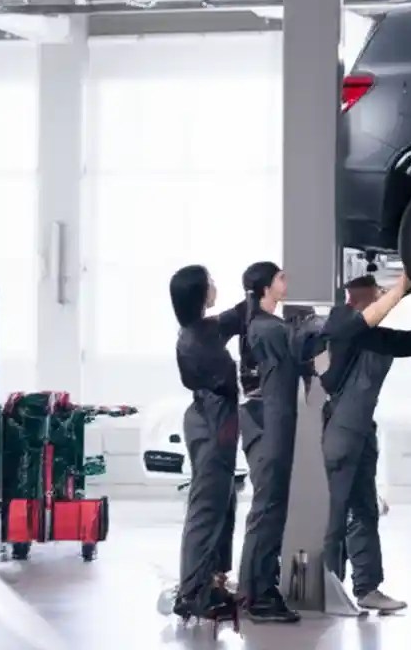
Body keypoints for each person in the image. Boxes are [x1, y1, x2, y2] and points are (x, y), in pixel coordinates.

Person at [320, 273, 411, 613]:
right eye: (377, 295)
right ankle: (326, 588)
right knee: (333, 514)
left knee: (365, 509)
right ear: (356, 298)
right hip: (338, 432)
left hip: (361, 432)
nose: (383, 300)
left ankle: (367, 588)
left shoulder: (376, 338)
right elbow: (365, 317)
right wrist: (402, 289)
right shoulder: (339, 323)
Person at [169, 265, 247, 622]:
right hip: (213, 422)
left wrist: (260, 291)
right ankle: (192, 592)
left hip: (214, 419)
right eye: (211, 282)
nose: (216, 285)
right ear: (200, 293)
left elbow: (234, 317)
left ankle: (213, 581)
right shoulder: (196, 339)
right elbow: (227, 382)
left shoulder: (201, 329)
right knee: (207, 507)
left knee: (223, 502)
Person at [235, 261, 303, 623]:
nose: (286, 281)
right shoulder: (270, 328)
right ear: (265, 287)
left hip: (261, 422)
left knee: (267, 507)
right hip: (269, 425)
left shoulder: (257, 325)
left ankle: (255, 588)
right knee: (269, 508)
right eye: (280, 277)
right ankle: (259, 595)